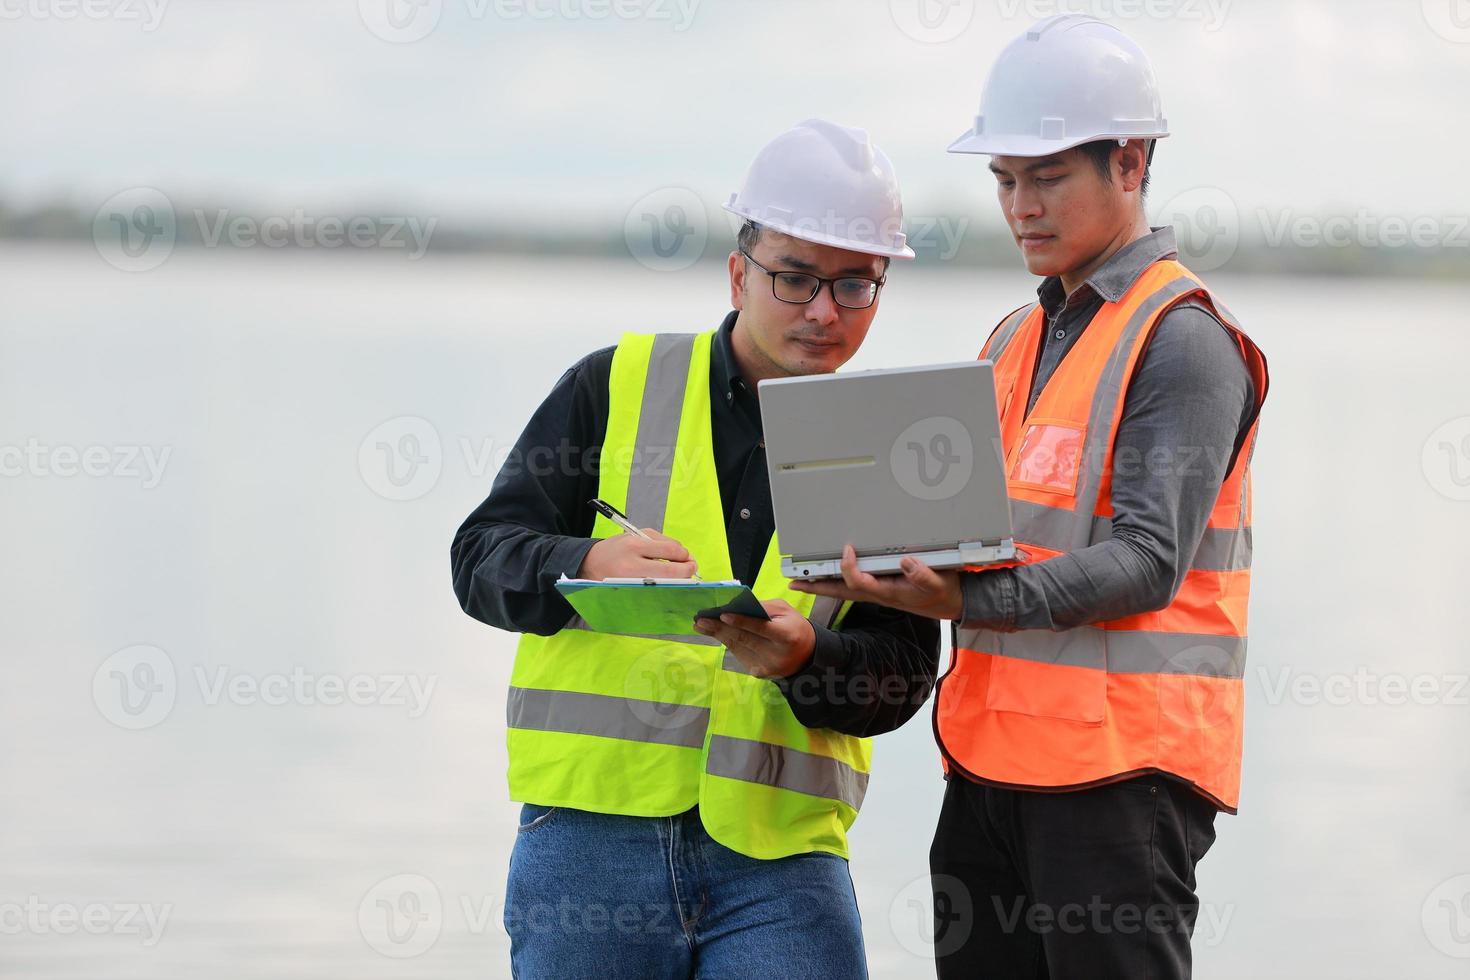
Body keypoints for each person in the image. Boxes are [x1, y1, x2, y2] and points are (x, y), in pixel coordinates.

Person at [793, 17, 1270, 978]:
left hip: (1120, 786)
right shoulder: (1011, 339)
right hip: (985, 772)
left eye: (1046, 177)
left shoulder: (1181, 340)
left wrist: (962, 600)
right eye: (1004, 180)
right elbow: (969, 529)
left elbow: (1146, 561)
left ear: (1131, 163)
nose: (1021, 206)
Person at [450, 118, 940, 980]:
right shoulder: (613, 384)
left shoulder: (885, 444)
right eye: (795, 278)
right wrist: (584, 563)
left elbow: (900, 676)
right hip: (589, 842)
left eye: (856, 285)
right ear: (738, 272)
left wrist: (807, 658)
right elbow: (480, 557)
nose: (824, 310)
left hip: (782, 868)